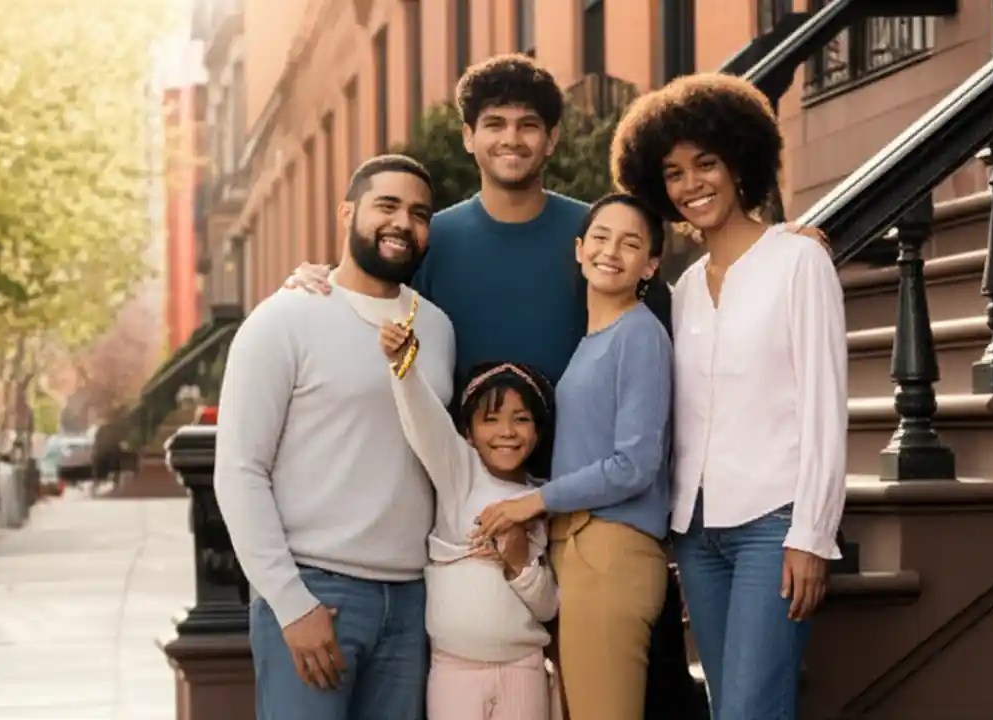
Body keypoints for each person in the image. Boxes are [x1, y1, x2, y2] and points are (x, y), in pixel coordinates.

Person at [286, 53, 701, 719]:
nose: (512, 138)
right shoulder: (434, 239)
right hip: (472, 511)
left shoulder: (592, 234)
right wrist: (312, 280)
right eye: (495, 124)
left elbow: (682, 339)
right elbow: (372, 292)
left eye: (529, 125)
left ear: (553, 139)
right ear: (469, 137)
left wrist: (772, 250)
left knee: (644, 695)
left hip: (592, 515)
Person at [610, 72, 848, 719]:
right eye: (674, 173)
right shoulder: (682, 292)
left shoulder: (799, 262)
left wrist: (812, 534)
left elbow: (827, 409)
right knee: (727, 708)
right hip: (698, 536)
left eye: (706, 164)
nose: (692, 185)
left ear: (739, 162)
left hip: (773, 524)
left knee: (749, 712)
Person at [214, 154, 457, 720]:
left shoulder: (439, 330)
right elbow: (239, 470)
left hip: (414, 600)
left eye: (419, 213)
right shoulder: (284, 320)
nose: (403, 222)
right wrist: (292, 605)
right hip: (315, 592)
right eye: (387, 206)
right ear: (348, 212)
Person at [472, 193, 674, 719]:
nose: (612, 251)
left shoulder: (639, 335)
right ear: (580, 249)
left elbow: (634, 464)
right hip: (580, 547)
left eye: (631, 244)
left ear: (650, 264)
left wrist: (533, 501)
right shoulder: (594, 340)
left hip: (612, 548)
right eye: (602, 238)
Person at [378, 318, 560, 718]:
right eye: (490, 419)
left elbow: (548, 608)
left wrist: (518, 563)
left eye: (521, 418)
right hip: (454, 671)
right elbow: (426, 423)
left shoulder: (542, 500)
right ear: (468, 433)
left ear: (538, 430)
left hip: (523, 667)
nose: (506, 432)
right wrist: (403, 367)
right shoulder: (460, 474)